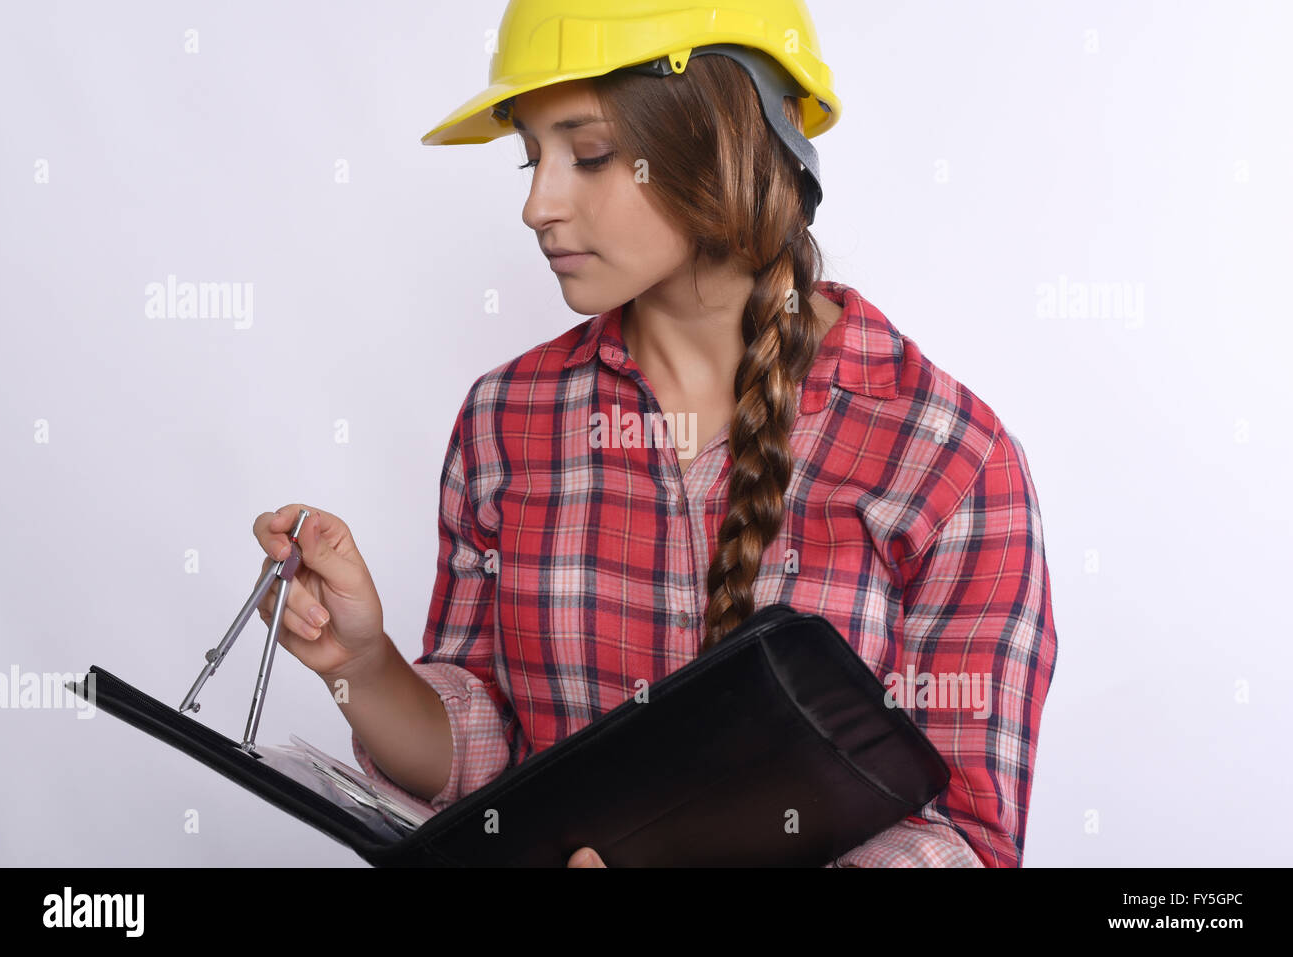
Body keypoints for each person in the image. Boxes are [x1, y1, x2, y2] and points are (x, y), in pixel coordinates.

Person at [251, 0, 1058, 867]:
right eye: (531, 157)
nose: (536, 204)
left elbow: (960, 839)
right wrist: (363, 668)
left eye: (588, 154)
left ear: (720, 141)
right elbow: (491, 760)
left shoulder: (951, 461)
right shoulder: (506, 421)